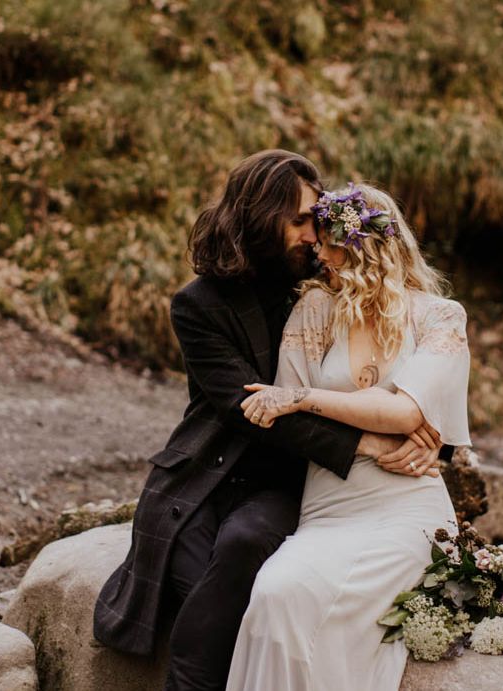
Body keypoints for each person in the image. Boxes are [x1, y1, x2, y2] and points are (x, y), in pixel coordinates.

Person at [92, 151, 451, 691]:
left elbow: (394, 366)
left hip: (284, 476)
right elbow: (248, 409)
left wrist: (428, 436)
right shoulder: (200, 305)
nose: (315, 236)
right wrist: (370, 444)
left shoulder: (325, 288)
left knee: (242, 552)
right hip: (208, 470)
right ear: (260, 217)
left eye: (319, 221)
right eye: (301, 220)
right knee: (197, 584)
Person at [225, 182, 472, 691]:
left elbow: (404, 412)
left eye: (328, 245)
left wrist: (305, 398)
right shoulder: (313, 313)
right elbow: (289, 423)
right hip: (330, 508)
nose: (318, 256)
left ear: (364, 246)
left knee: (329, 608)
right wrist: (329, 413)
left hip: (406, 509)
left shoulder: (440, 317)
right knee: (275, 593)